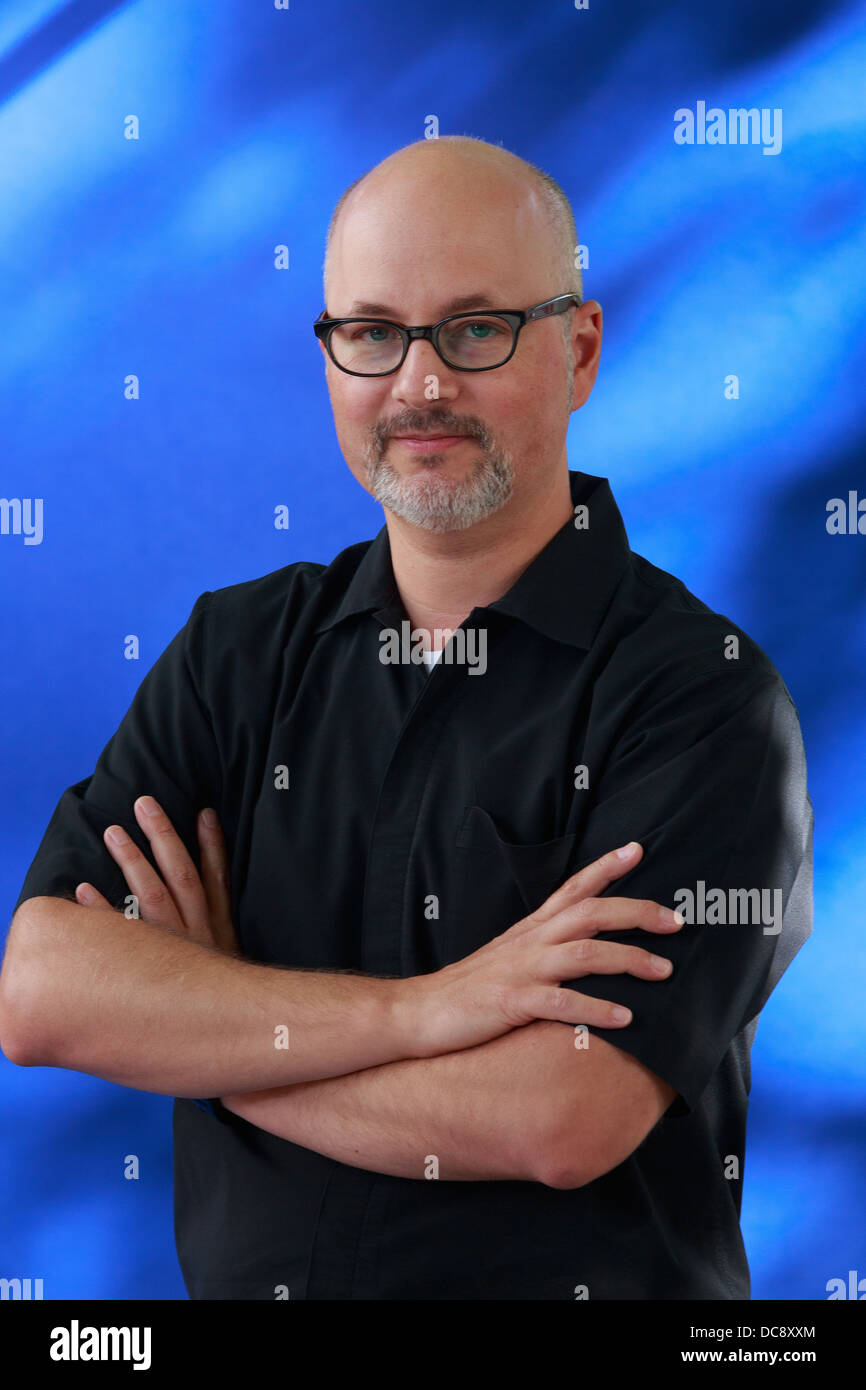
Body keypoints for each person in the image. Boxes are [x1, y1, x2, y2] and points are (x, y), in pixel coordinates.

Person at [1, 136, 812, 1300]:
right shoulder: (235, 656)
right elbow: (42, 994)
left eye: (474, 330)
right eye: (372, 333)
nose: (417, 385)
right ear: (330, 355)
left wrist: (206, 1032)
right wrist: (433, 1011)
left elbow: (559, 1115)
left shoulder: (701, 699)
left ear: (577, 351)